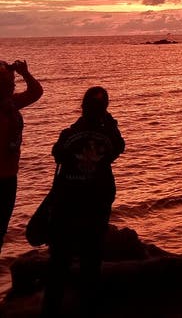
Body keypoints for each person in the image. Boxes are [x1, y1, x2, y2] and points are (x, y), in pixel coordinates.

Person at [41, 86, 125, 317]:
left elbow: (57, 153)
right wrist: (109, 122)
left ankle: (51, 308)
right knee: (91, 259)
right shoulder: (108, 136)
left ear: (83, 107)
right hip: (96, 204)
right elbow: (119, 147)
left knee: (60, 261)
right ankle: (89, 306)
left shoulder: (69, 134)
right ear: (104, 109)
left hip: (68, 205)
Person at [0, 59, 43, 251]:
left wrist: (24, 73)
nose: (12, 86)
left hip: (9, 177)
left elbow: (36, 92)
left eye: (12, 82)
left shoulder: (11, 103)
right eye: (8, 83)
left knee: (1, 230)